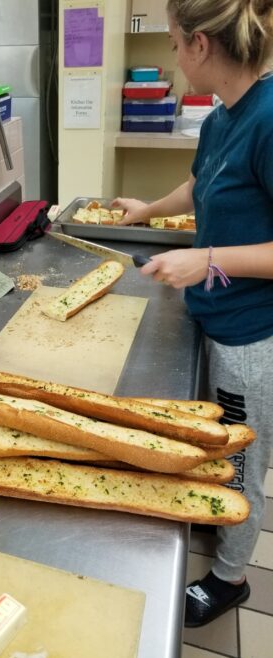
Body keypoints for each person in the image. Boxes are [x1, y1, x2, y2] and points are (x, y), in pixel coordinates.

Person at [112, 0, 273, 628]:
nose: (172, 59)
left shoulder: (268, 120)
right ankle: (212, 517)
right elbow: (198, 185)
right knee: (207, 443)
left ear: (202, 47)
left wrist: (205, 259)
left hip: (248, 335)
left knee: (238, 458)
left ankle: (230, 578)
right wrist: (146, 210)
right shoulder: (219, 119)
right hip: (209, 317)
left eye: (176, 45)